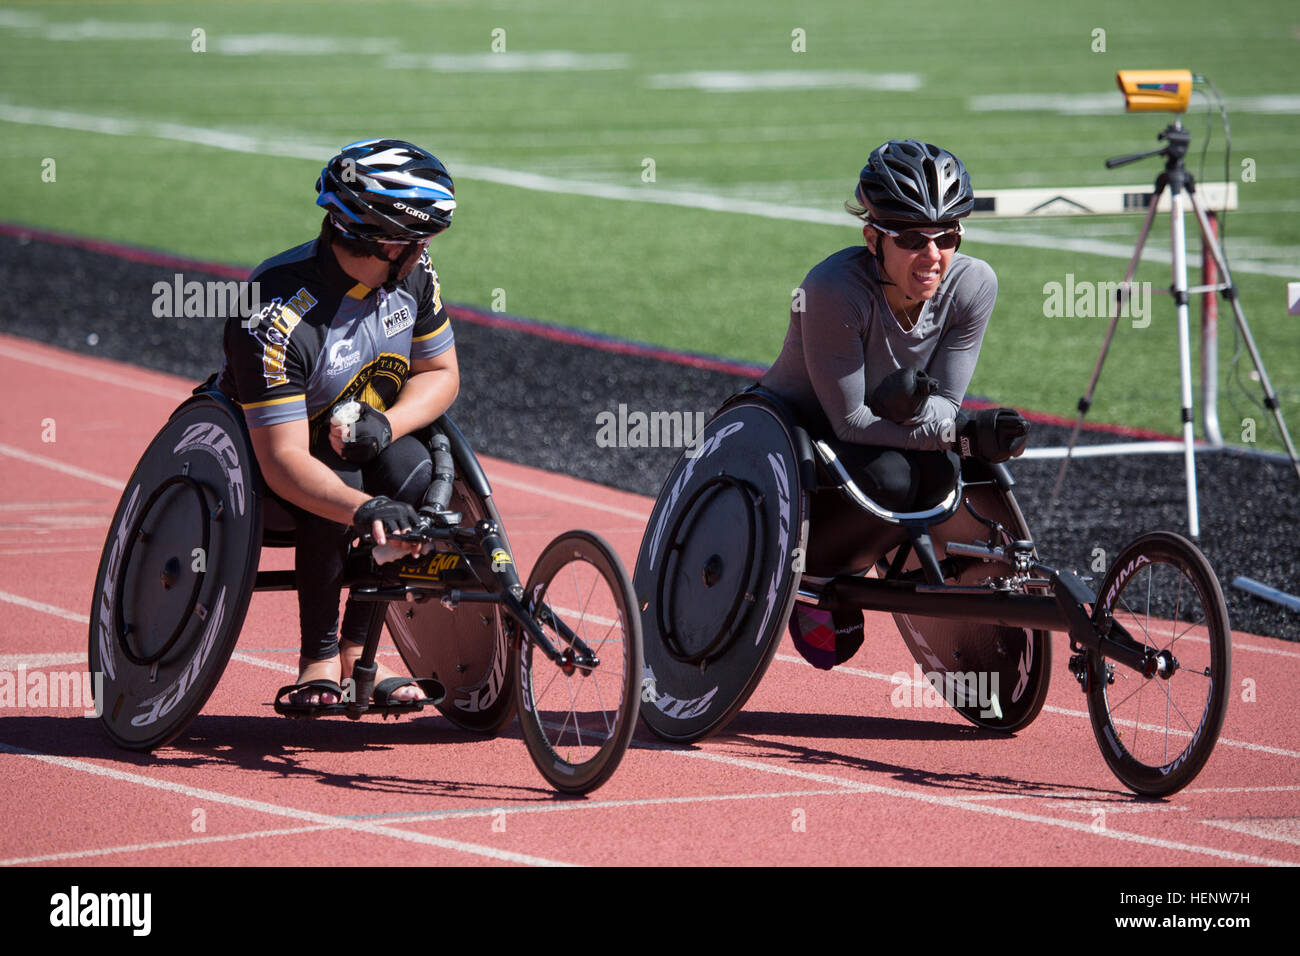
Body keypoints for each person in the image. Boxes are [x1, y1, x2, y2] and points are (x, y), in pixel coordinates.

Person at [218, 138, 460, 712]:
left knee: (414, 477)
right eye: (418, 238)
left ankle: (360, 656)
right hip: (263, 465)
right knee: (348, 488)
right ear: (383, 240)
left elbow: (442, 373)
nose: (425, 249)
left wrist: (388, 423)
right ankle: (319, 658)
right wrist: (363, 510)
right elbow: (282, 461)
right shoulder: (274, 312)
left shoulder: (412, 273)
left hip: (357, 434)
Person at [758, 138, 1028, 513]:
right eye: (914, 239)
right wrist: (960, 432)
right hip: (796, 427)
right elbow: (851, 423)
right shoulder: (833, 289)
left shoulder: (974, 285)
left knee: (941, 474)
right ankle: (820, 573)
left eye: (947, 237)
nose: (933, 256)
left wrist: (918, 414)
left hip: (880, 427)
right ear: (873, 239)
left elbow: (947, 403)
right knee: (891, 479)